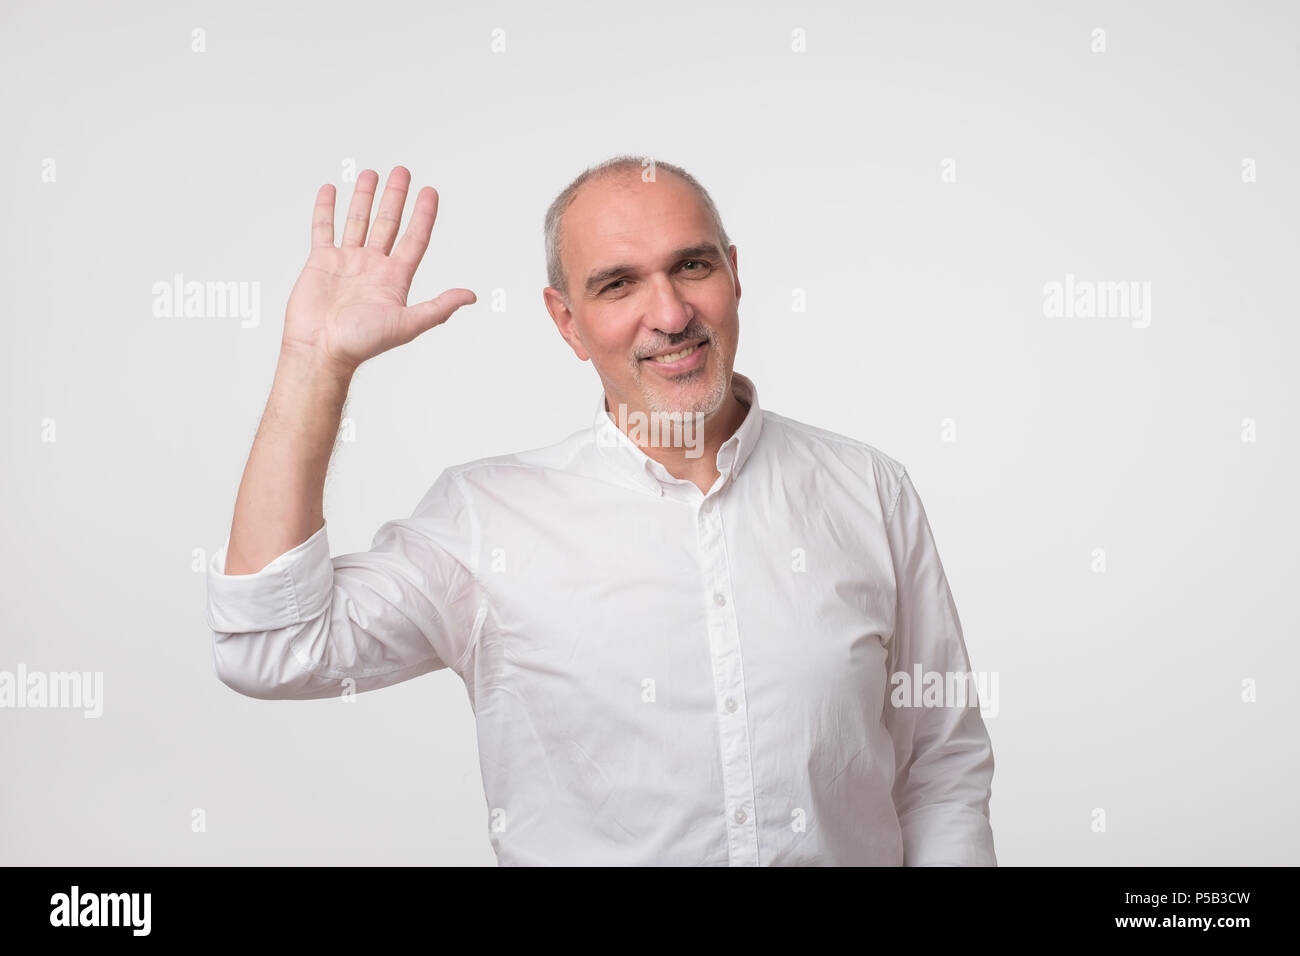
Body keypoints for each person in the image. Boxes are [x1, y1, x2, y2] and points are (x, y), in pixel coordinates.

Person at [205, 156, 997, 866]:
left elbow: (940, 769)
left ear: (735, 275)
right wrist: (315, 362)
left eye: (692, 267)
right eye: (618, 284)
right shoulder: (487, 521)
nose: (672, 313)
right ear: (567, 322)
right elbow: (271, 646)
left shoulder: (867, 488)